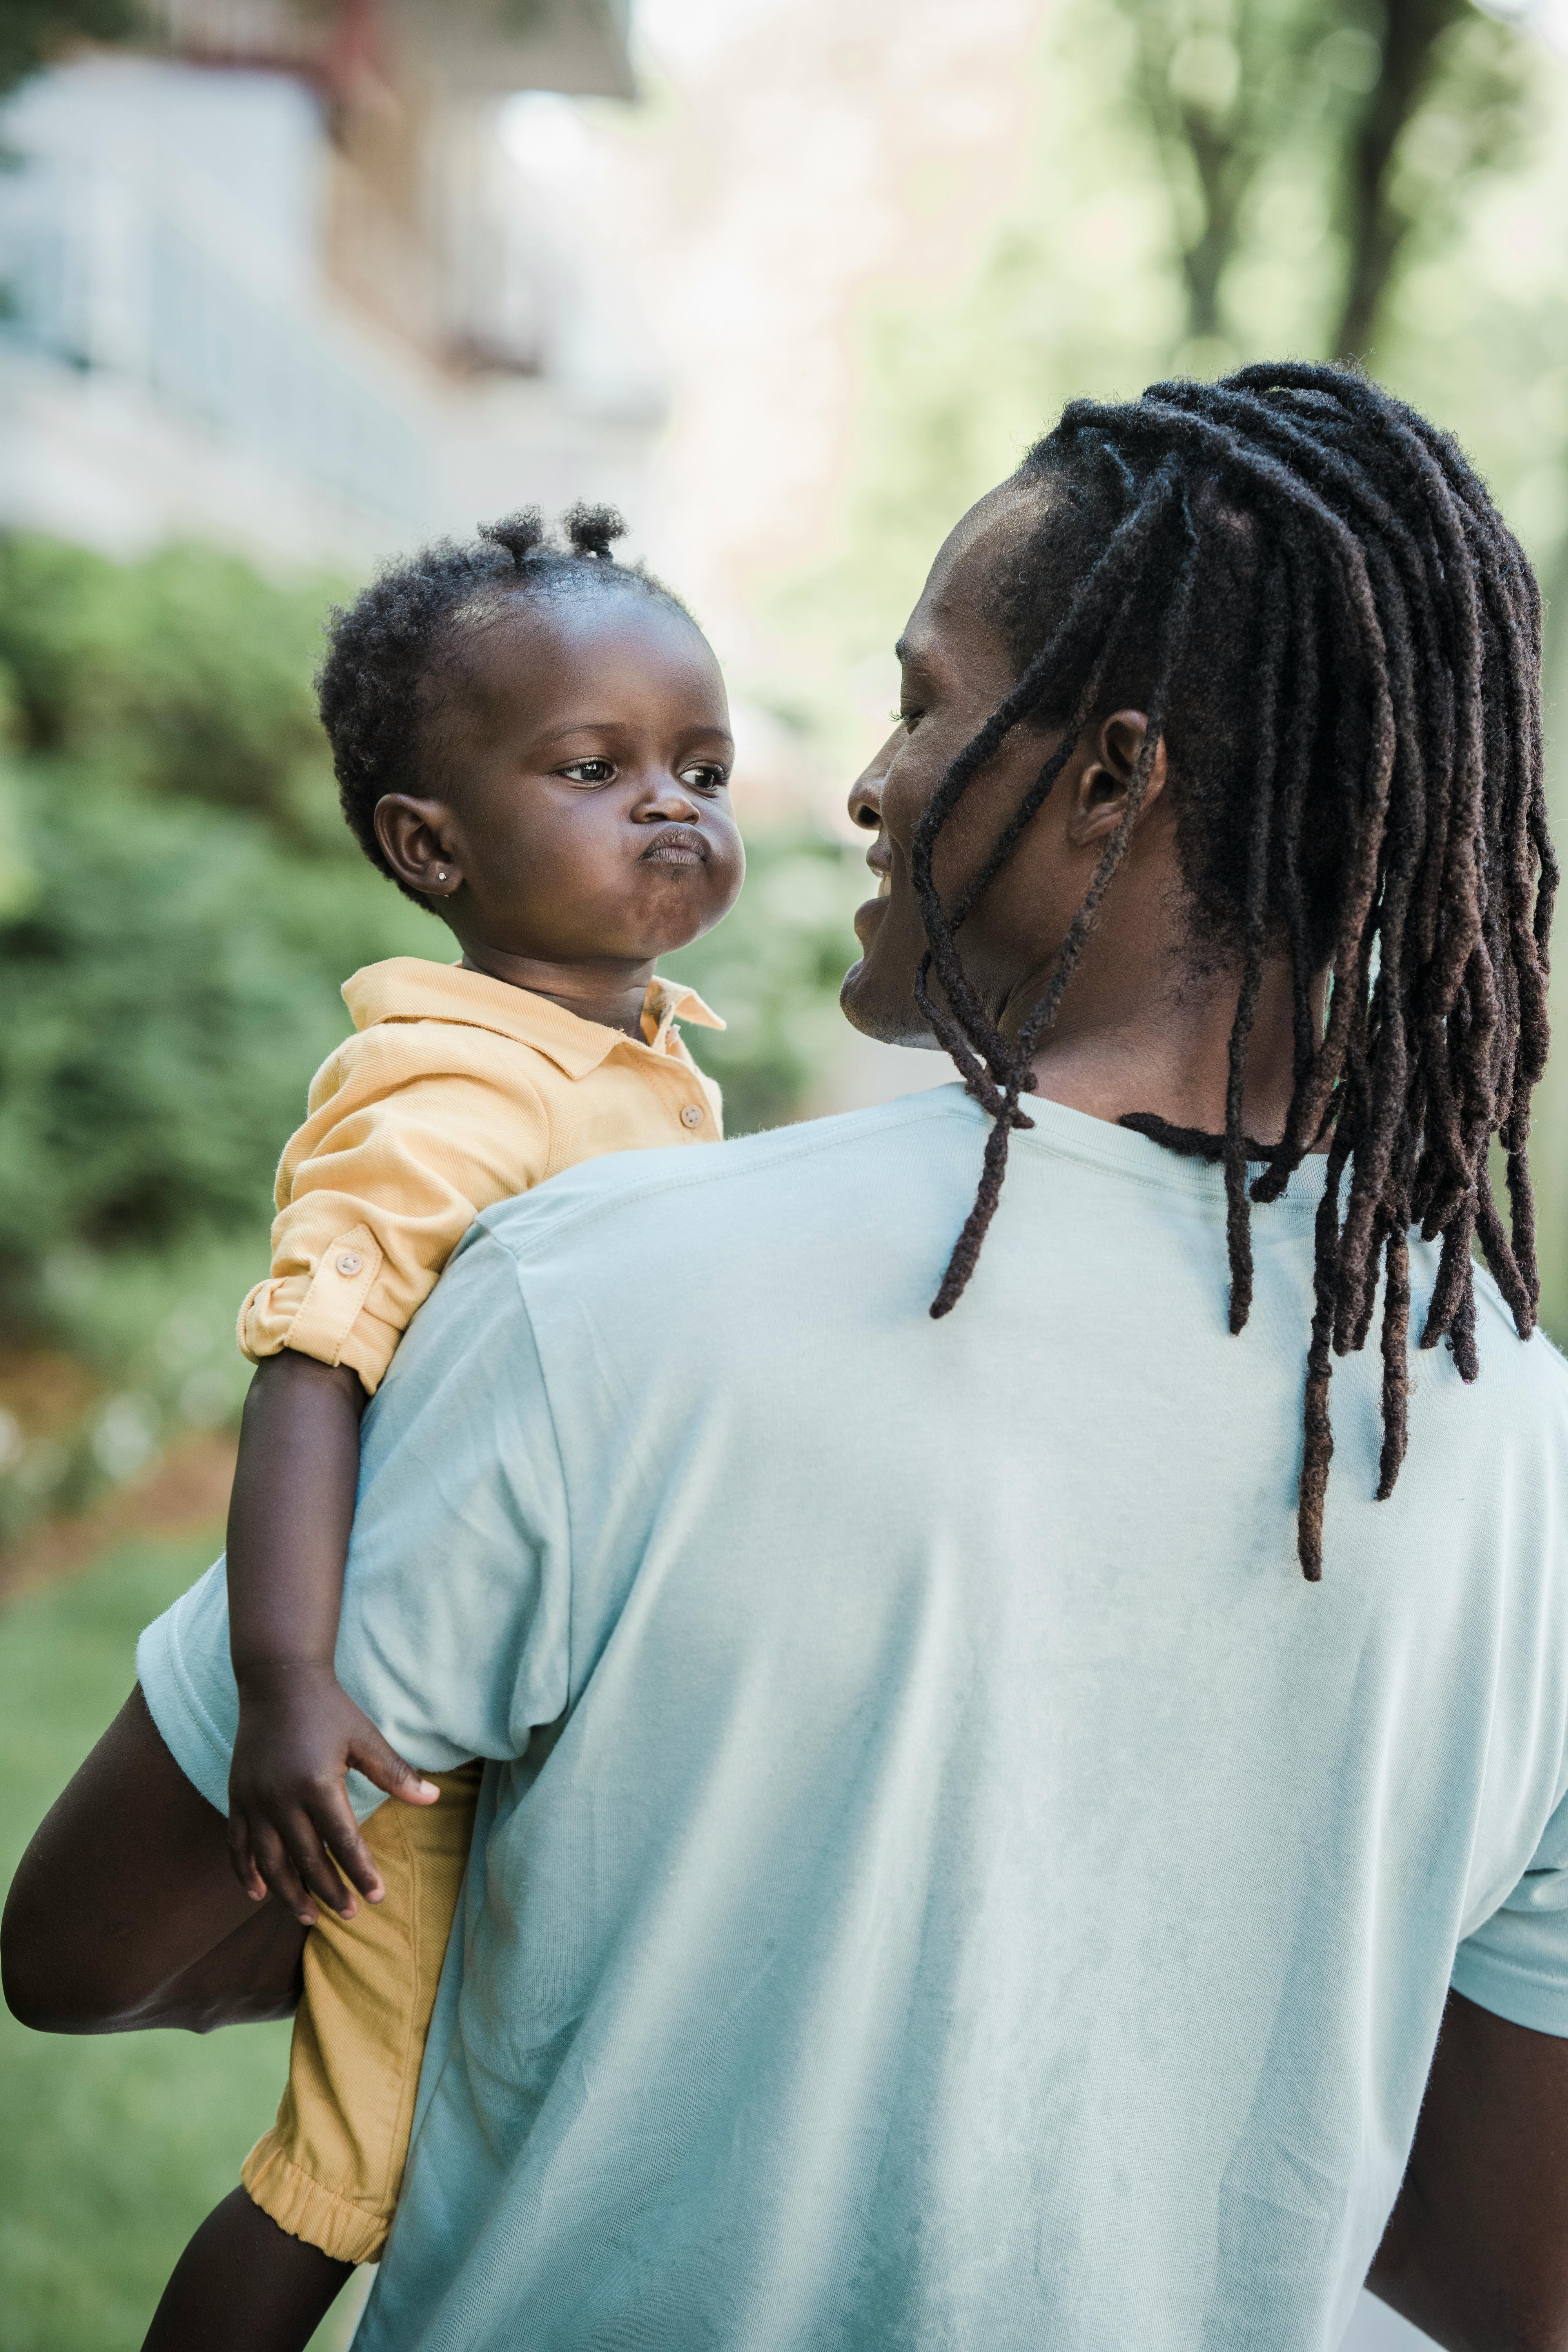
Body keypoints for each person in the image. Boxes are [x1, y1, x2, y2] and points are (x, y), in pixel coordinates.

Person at [7, 364, 1568, 2352]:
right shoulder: (1523, 1449)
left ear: (1112, 778)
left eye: (924, 703)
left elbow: (90, 1948)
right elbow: (1503, 2279)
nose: (864, 784)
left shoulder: (599, 1295)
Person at [132, 502, 744, 2347]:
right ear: (430, 843)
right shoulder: (452, 1084)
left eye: (702, 767)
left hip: (550, 1681)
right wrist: (288, 1684)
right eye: (594, 768)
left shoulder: (643, 1067)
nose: (670, 802)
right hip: (408, 1737)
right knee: (354, 2160)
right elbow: (309, 1370)